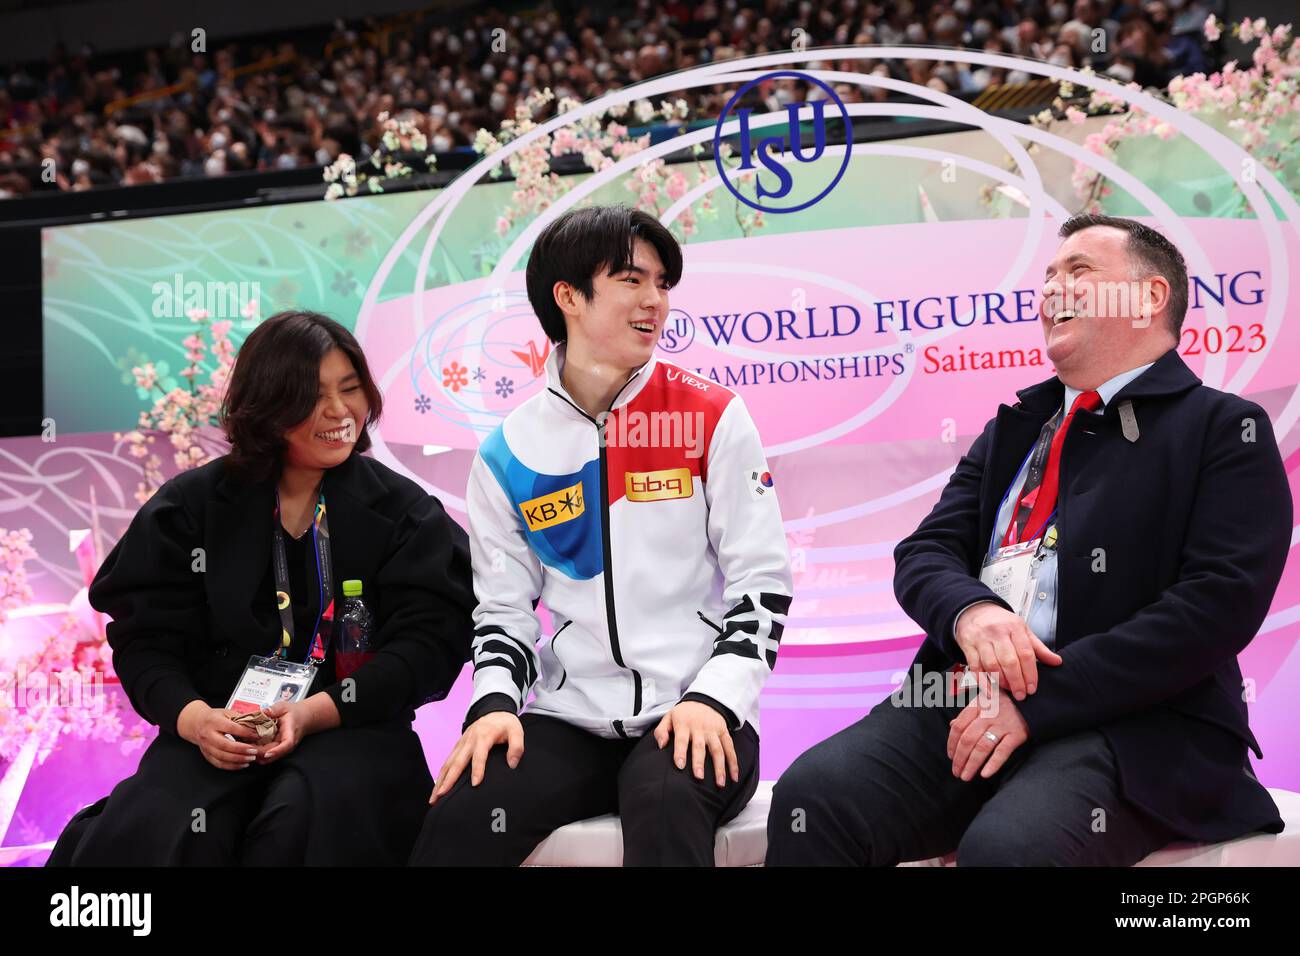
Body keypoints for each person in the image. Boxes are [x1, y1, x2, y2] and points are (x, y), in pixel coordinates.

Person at [767, 215, 1290, 866]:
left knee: (1012, 850)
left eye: (1079, 272)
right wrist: (970, 611)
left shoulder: (1221, 429)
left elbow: (1216, 607)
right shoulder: (1016, 428)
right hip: (963, 702)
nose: (1051, 290)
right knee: (811, 799)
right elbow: (925, 554)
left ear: (1151, 298)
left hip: (1134, 725)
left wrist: (1038, 703)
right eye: (1046, 277)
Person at [410, 204, 793, 866]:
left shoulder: (712, 415)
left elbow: (762, 586)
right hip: (569, 721)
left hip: (695, 709)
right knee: (463, 813)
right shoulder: (508, 451)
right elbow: (503, 612)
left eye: (663, 284)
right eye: (632, 280)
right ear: (569, 298)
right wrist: (494, 704)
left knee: (664, 799)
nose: (655, 301)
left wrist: (715, 696)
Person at [48, 310, 476, 866]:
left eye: (350, 389)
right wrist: (195, 719)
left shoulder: (404, 513)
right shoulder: (190, 507)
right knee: (167, 829)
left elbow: (426, 646)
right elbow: (146, 640)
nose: (339, 412)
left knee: (305, 816)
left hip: (353, 725)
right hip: (217, 727)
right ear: (267, 407)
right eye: (311, 396)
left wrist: (314, 713)